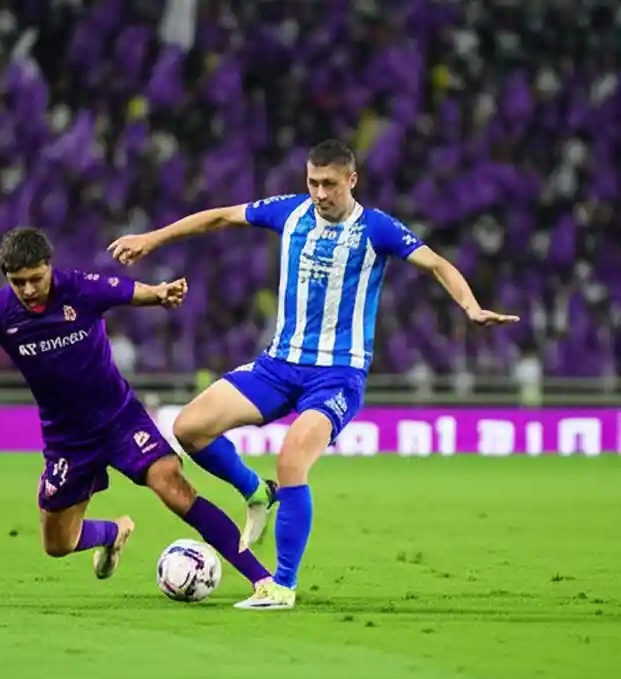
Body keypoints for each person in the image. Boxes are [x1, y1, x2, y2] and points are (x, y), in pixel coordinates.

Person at [109, 140, 519, 610]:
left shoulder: (377, 228)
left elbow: (437, 264)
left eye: (329, 184)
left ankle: (282, 586)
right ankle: (254, 491)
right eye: (312, 182)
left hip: (337, 375)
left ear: (351, 181)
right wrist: (151, 239)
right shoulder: (290, 212)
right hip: (278, 364)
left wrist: (470, 306)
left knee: (292, 461)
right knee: (189, 428)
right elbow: (219, 216)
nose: (319, 193)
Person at [0, 228, 273, 592]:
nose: (29, 290)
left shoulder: (79, 289)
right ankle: (113, 532)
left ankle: (263, 580)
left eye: (36, 278)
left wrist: (161, 293)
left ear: (50, 267)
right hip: (67, 439)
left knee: (172, 484)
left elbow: (133, 292)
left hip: (120, 418)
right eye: (18, 282)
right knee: (58, 544)